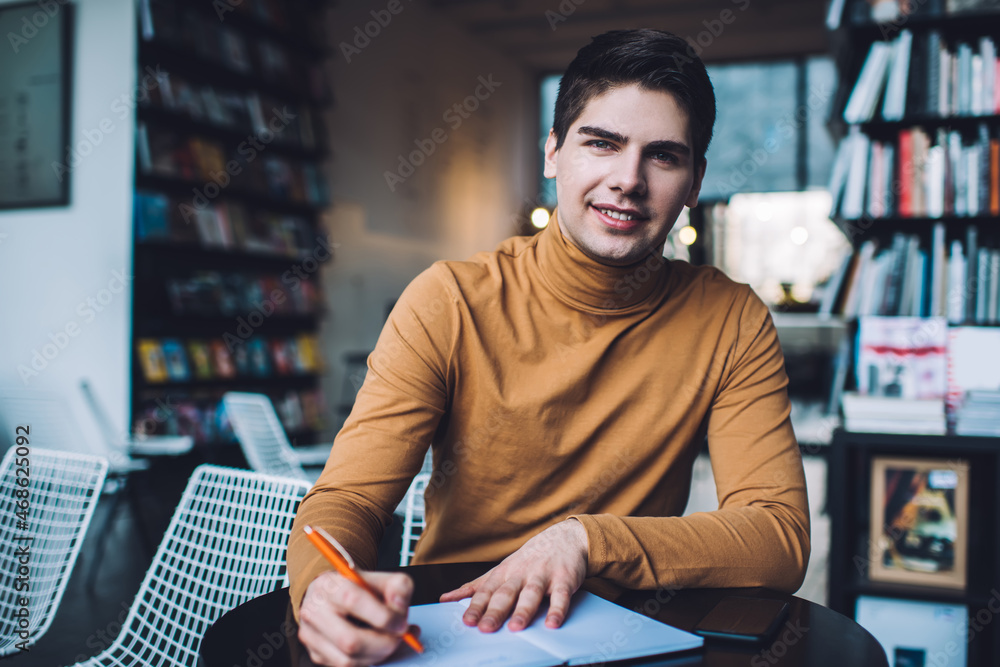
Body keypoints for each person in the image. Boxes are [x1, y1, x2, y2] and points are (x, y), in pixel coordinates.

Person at [288, 28, 810, 667]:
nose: (628, 180)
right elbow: (348, 500)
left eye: (664, 156)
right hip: (457, 632)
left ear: (695, 181)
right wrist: (324, 589)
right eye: (602, 143)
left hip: (628, 644)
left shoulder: (731, 319)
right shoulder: (449, 301)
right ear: (553, 153)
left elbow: (778, 540)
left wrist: (587, 541)